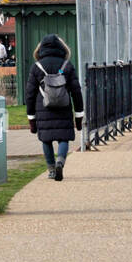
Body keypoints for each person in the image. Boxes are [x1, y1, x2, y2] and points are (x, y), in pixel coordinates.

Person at [24, 33, 84, 181]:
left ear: (41, 49)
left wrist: (31, 118)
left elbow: (30, 94)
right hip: (64, 107)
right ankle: (60, 163)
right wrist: (79, 116)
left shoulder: (36, 67)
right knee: (64, 139)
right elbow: (76, 91)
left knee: (46, 140)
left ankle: (51, 170)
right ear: (62, 48)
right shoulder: (66, 65)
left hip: (43, 109)